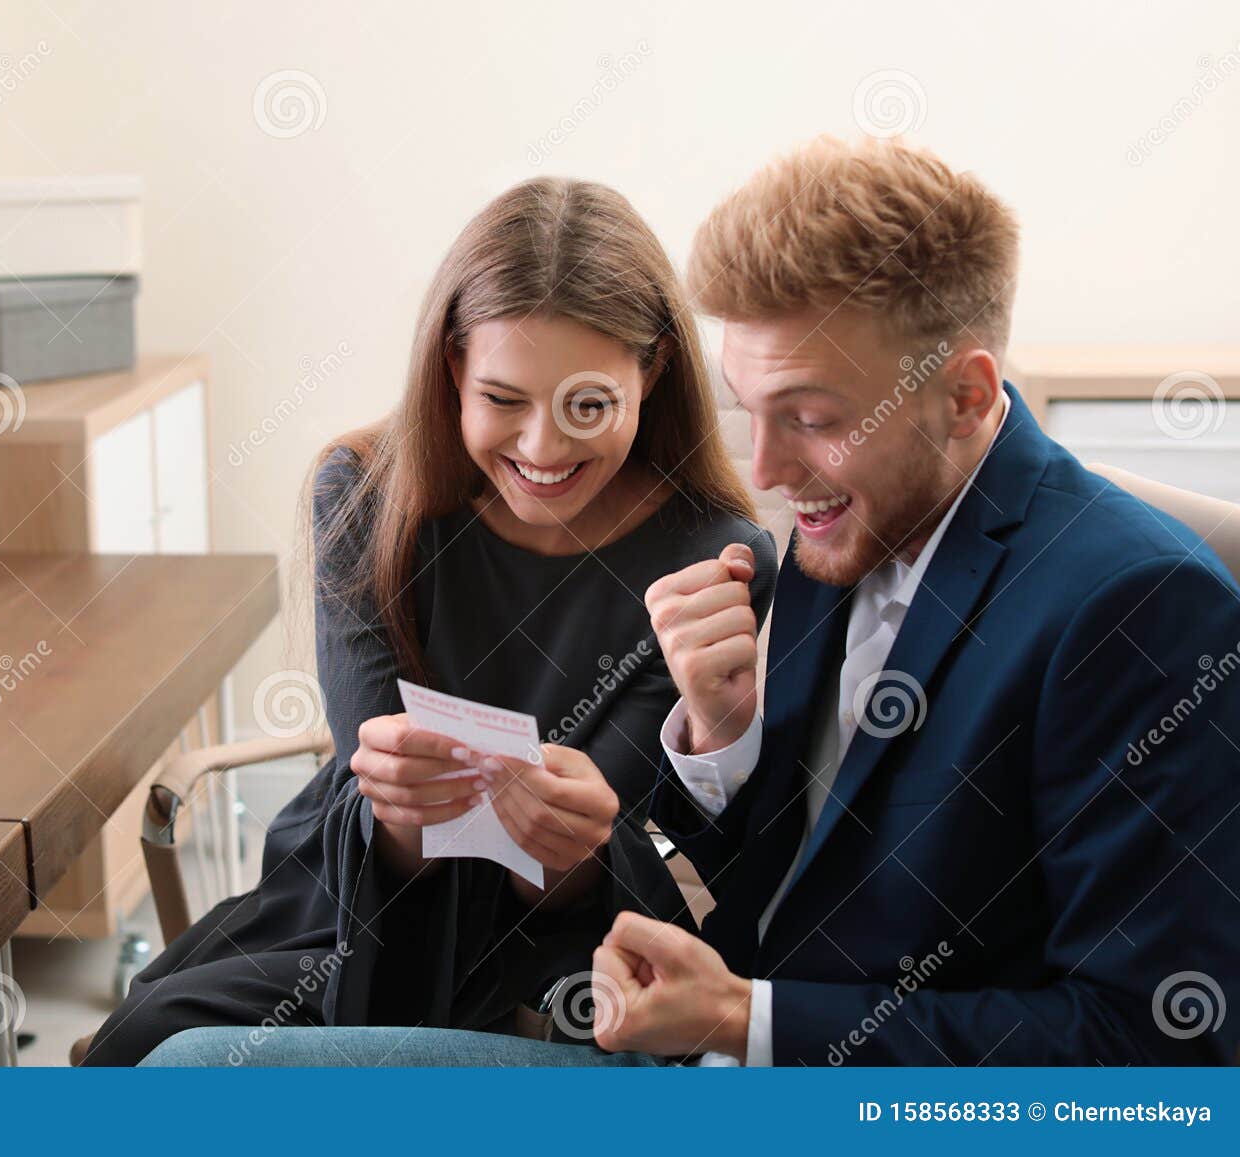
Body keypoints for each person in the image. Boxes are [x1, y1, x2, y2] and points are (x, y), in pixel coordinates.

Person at [142, 136, 1240, 1068]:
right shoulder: (835, 536)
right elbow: (777, 887)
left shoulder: (1137, 606)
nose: (763, 467)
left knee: (190, 1073)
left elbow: (1165, 1056)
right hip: (679, 1042)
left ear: (963, 394)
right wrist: (716, 738)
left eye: (810, 415)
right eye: (747, 410)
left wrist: (746, 1017)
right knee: (170, 1050)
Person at [84, 177, 776, 1065]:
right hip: (354, 905)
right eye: (502, 399)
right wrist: (408, 808)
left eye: (589, 405)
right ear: (451, 366)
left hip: (564, 938)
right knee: (142, 1050)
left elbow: (612, 841)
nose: (542, 450)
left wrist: (568, 839)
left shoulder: (713, 562)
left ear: (653, 374)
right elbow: (369, 778)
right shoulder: (365, 497)